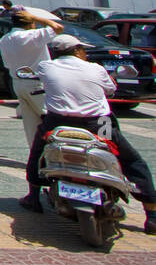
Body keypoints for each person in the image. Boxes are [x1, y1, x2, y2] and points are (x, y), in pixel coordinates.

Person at [22, 34, 156, 232]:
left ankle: (33, 195)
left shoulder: (46, 66)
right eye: (83, 49)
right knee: (132, 161)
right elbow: (111, 89)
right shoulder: (96, 69)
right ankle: (151, 213)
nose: (85, 53)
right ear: (77, 50)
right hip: (98, 123)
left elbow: (38, 79)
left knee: (38, 153)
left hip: (58, 121)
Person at [0, 9, 65, 146]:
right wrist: (35, 17)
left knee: (31, 124)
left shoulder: (4, 39)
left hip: (17, 82)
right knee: (52, 118)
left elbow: (6, 64)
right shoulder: (33, 35)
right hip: (36, 83)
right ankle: (55, 151)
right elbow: (58, 27)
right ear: (31, 22)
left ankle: (35, 155)